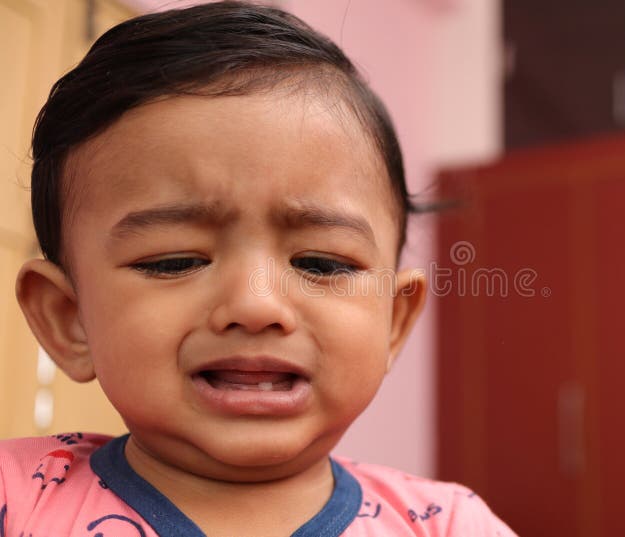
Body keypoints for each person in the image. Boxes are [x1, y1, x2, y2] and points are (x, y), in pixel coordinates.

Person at [0, 2, 517, 535]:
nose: (255, 305)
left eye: (321, 262)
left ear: (393, 320)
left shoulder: (448, 525)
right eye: (175, 260)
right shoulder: (17, 501)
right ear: (68, 317)